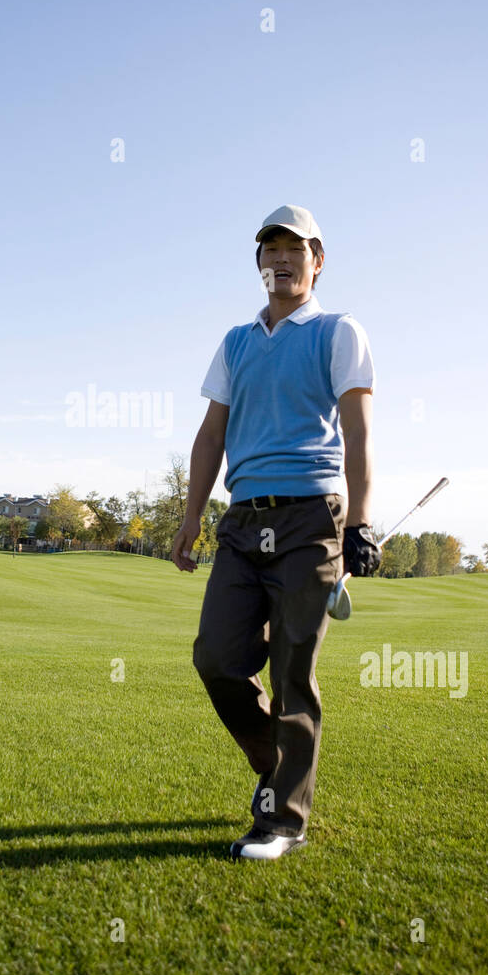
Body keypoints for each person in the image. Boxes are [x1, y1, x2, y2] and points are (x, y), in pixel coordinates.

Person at [170, 205, 381, 861]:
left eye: (296, 248)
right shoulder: (236, 341)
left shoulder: (338, 331)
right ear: (259, 265)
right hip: (243, 521)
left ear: (318, 260)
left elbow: (359, 432)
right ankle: (274, 758)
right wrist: (191, 517)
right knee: (215, 658)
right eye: (271, 250)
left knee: (294, 670)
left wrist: (362, 520)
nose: (282, 259)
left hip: (310, 518)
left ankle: (283, 820)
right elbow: (211, 435)